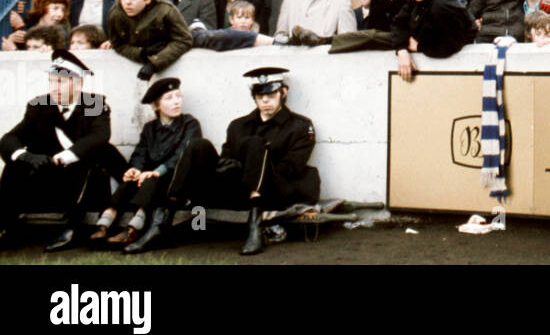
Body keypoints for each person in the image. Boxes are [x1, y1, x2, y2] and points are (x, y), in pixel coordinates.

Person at [169, 67, 319, 255]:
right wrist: (234, 167)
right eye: (259, 95)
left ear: (283, 92)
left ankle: (255, 230)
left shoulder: (301, 125)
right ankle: (164, 219)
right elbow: (226, 158)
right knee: (198, 145)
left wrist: (254, 164)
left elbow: (291, 167)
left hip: (273, 190)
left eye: (271, 94)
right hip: (238, 188)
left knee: (256, 144)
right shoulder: (238, 125)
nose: (265, 100)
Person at [0, 50, 123, 251]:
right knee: (15, 165)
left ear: (79, 83)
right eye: (52, 81)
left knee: (94, 158)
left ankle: (72, 230)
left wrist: (67, 156)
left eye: (61, 82)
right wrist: (26, 156)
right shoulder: (40, 104)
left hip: (85, 182)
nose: (55, 87)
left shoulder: (93, 103)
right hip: (49, 180)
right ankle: (7, 226)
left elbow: (100, 137)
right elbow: (10, 139)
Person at [89, 77, 203, 253]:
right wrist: (134, 169)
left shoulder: (189, 124)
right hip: (149, 176)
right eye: (169, 98)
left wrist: (156, 172)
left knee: (151, 181)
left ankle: (134, 228)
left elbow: (181, 154)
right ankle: (104, 223)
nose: (176, 102)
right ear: (156, 106)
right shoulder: (150, 128)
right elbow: (140, 152)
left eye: (178, 96)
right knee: (130, 181)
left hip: (172, 179)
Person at [393, 0, 476, 80]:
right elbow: (399, 22)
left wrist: (419, 47)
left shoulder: (443, 6)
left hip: (453, 70)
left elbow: (449, 45)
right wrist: (402, 50)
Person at [107, 0, 193, 79]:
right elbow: (118, 44)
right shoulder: (116, 13)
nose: (127, 2)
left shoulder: (166, 10)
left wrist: (155, 62)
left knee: (204, 39)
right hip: (139, 59)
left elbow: (184, 40)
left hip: (169, 55)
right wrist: (140, 53)